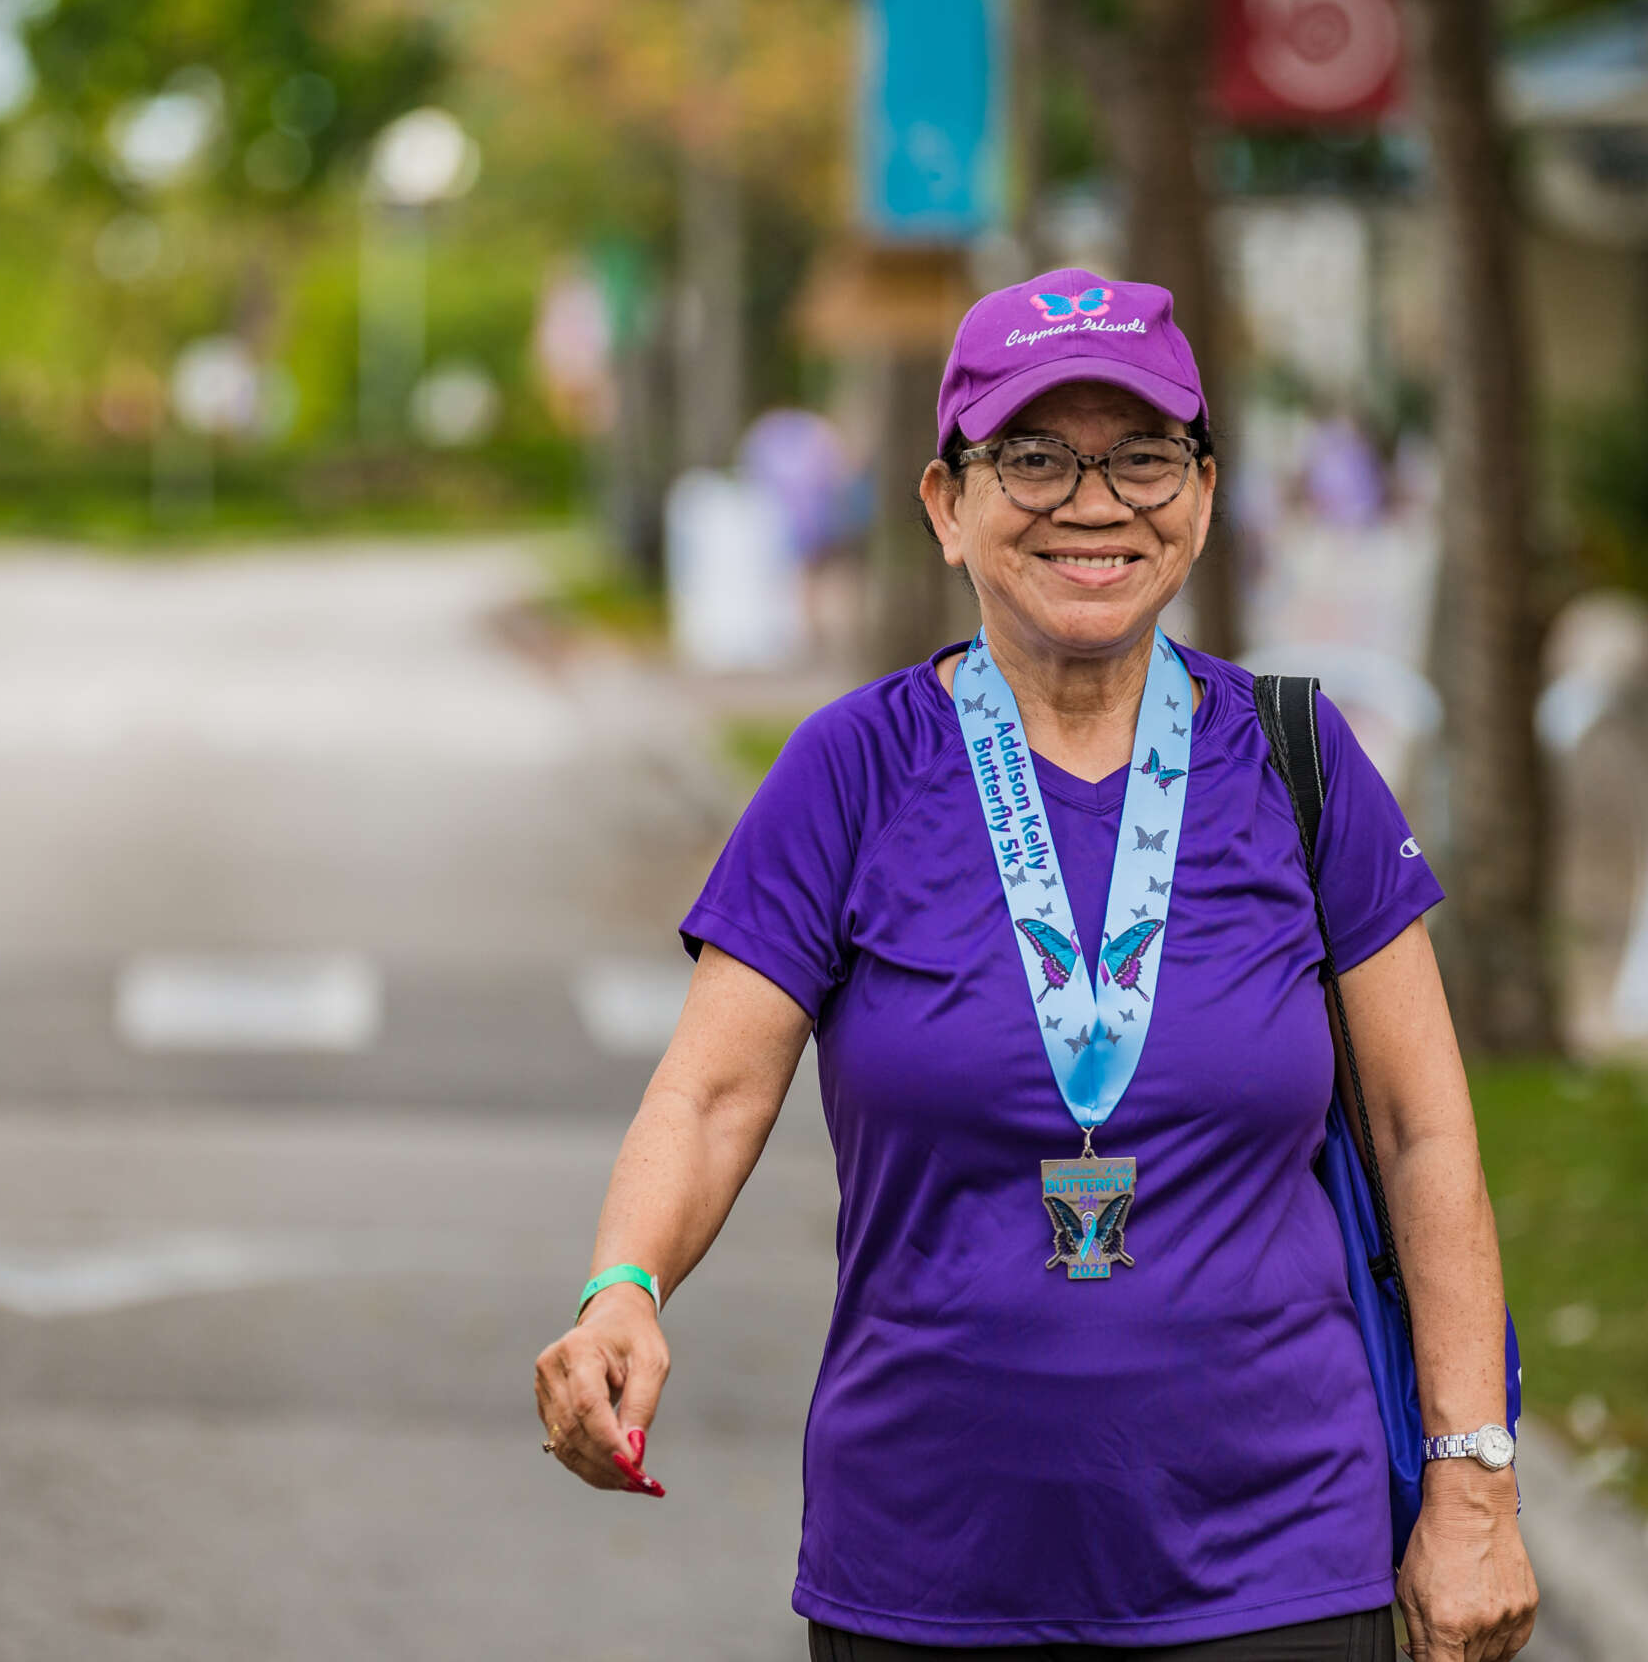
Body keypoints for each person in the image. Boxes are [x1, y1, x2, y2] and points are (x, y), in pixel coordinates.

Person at [533, 268, 1537, 1661]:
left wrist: (1473, 1481)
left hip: (1280, 1573)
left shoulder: (1303, 766)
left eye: (1139, 456)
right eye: (1033, 457)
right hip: (929, 1573)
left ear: (1196, 496)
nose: (1092, 501)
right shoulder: (852, 772)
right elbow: (708, 1098)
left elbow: (1429, 1140)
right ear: (949, 504)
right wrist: (622, 1286)